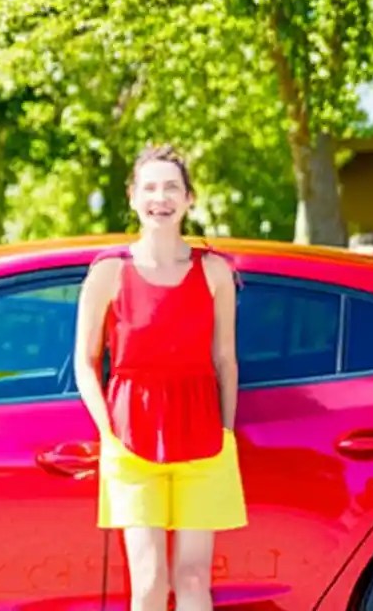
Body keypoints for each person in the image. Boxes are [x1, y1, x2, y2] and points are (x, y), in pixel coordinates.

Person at [73, 143, 247, 611]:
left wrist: (226, 431)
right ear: (132, 197)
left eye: (172, 187)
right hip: (130, 439)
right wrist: (108, 432)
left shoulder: (213, 272)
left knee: (193, 581)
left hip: (204, 437)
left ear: (189, 198)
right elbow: (85, 363)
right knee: (148, 583)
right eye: (149, 187)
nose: (160, 197)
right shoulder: (109, 272)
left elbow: (225, 360)